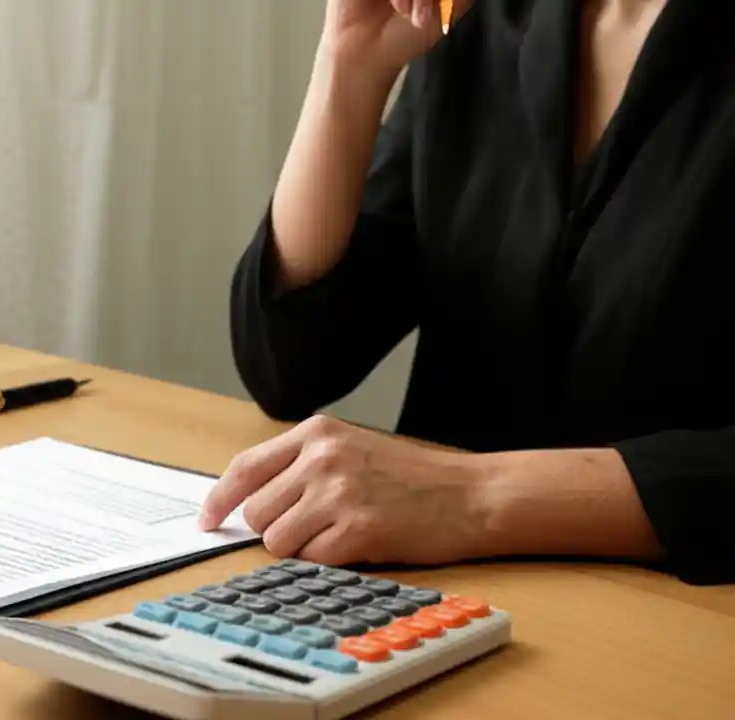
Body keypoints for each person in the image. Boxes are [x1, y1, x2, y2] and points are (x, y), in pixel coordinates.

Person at [198, 0, 735, 585]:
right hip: (428, 596)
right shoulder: (479, 19)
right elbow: (291, 364)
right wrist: (348, 64)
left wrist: (469, 495)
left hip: (676, 619)